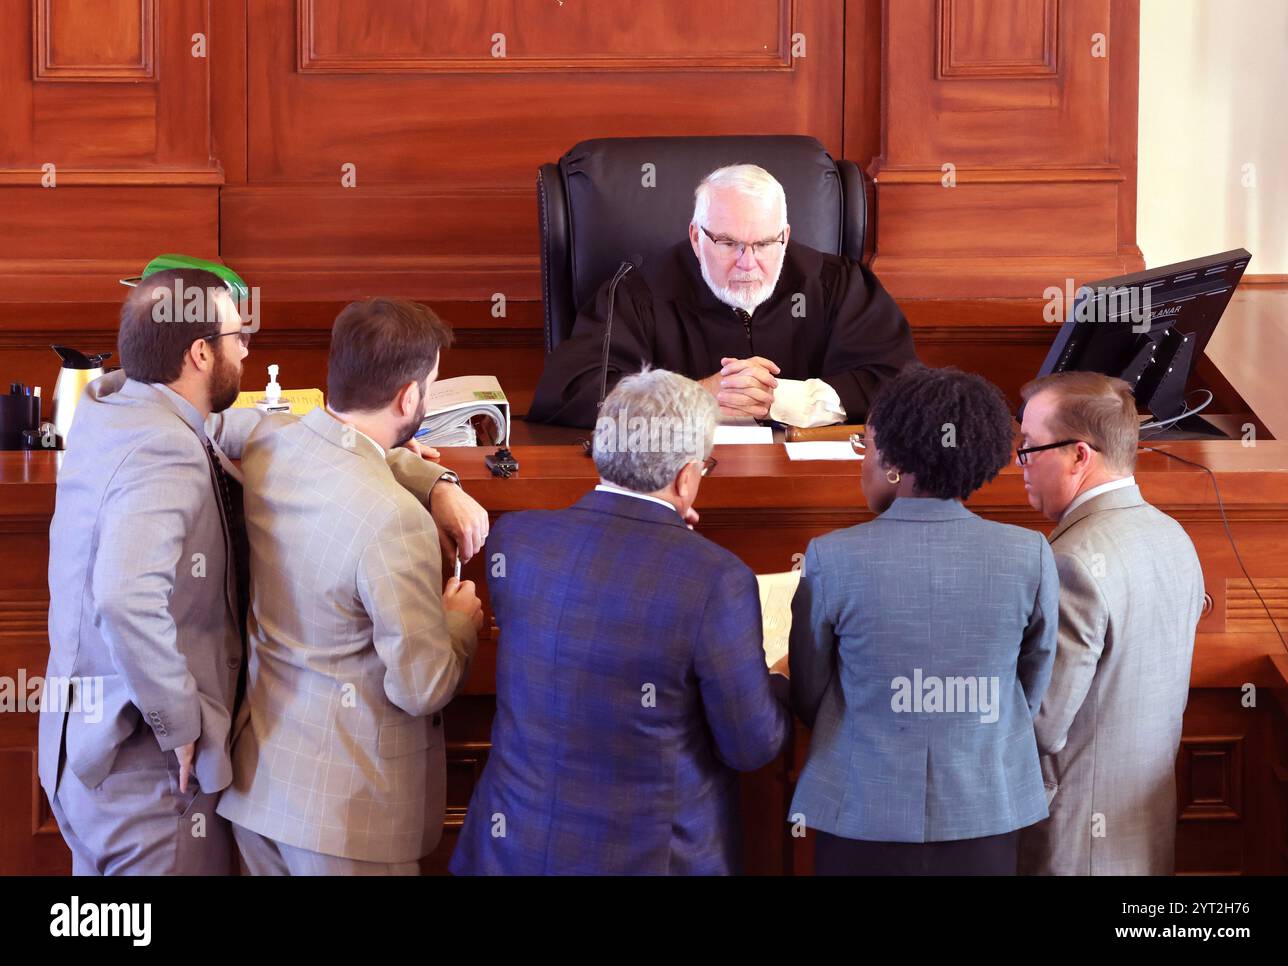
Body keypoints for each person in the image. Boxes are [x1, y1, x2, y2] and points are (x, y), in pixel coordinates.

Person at [453, 367, 790, 874]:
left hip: (510, 852)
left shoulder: (516, 542)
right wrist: (781, 679)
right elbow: (750, 746)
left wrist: (662, 524)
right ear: (686, 476)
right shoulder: (717, 580)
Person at [216, 298, 485, 875]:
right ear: (409, 398)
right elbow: (422, 685)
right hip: (349, 825)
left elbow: (342, 448)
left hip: (260, 793)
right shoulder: (395, 521)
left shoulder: (268, 441)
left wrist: (433, 480)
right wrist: (459, 619)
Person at [789, 364, 1058, 875]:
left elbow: (810, 694)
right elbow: (1027, 689)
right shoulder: (1029, 555)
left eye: (865, 446)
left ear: (893, 457)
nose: (863, 461)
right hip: (984, 808)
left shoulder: (829, 558)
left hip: (861, 811)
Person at [40, 268, 260, 874]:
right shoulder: (166, 450)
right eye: (238, 336)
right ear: (199, 353)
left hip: (81, 756)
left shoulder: (108, 408)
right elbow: (124, 598)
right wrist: (180, 722)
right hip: (148, 771)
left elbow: (220, 427)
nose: (244, 348)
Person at [528, 163, 917, 428]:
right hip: (680, 494)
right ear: (697, 237)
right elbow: (571, 392)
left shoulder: (837, 283)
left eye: (764, 244)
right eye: (728, 243)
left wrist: (781, 399)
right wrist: (696, 398)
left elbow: (900, 383)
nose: (747, 264)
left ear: (785, 236)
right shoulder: (639, 292)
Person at [1016, 371, 1203, 875]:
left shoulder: (1071, 560)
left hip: (1075, 843)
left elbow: (1042, 725)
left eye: (1030, 447)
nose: (1021, 465)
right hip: (1141, 834)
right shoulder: (1173, 536)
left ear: (1080, 454)